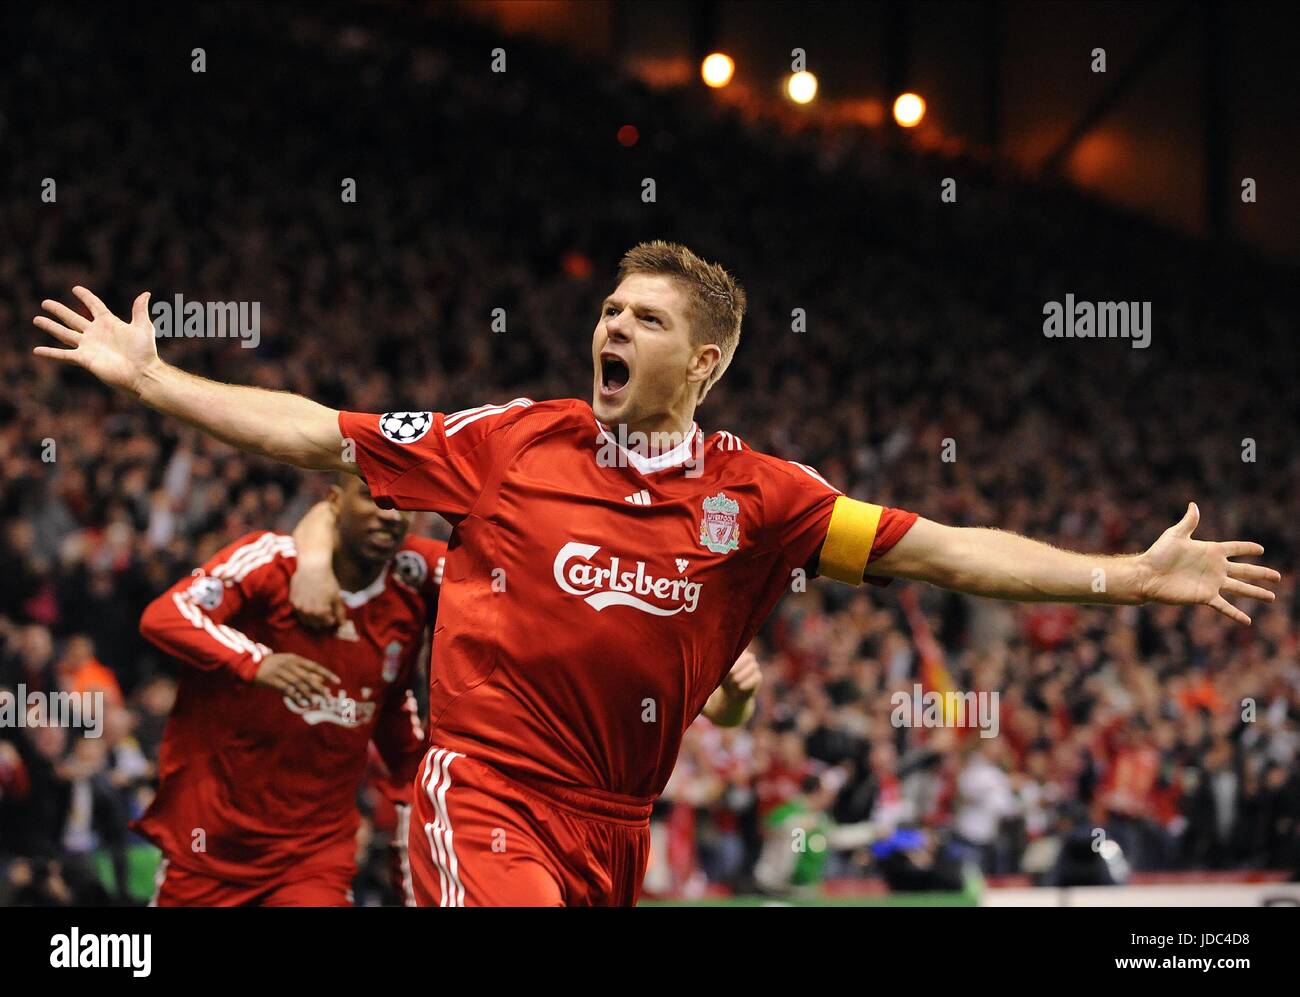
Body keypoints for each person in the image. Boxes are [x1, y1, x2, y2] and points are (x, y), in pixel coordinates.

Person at [33, 240, 1279, 905]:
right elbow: (320, 433)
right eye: (611, 311)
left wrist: (1125, 579)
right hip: (487, 790)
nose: (612, 327)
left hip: (615, 826)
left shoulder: (764, 498)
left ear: (707, 362)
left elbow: (947, 554)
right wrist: (154, 379)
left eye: (646, 319)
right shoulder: (513, 442)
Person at [132, 475, 443, 906]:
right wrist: (257, 662)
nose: (388, 514)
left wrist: (415, 776)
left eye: (401, 504)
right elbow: (167, 615)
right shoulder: (270, 559)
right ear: (334, 502)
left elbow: (387, 703)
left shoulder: (410, 587)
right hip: (211, 843)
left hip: (313, 856)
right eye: (371, 498)